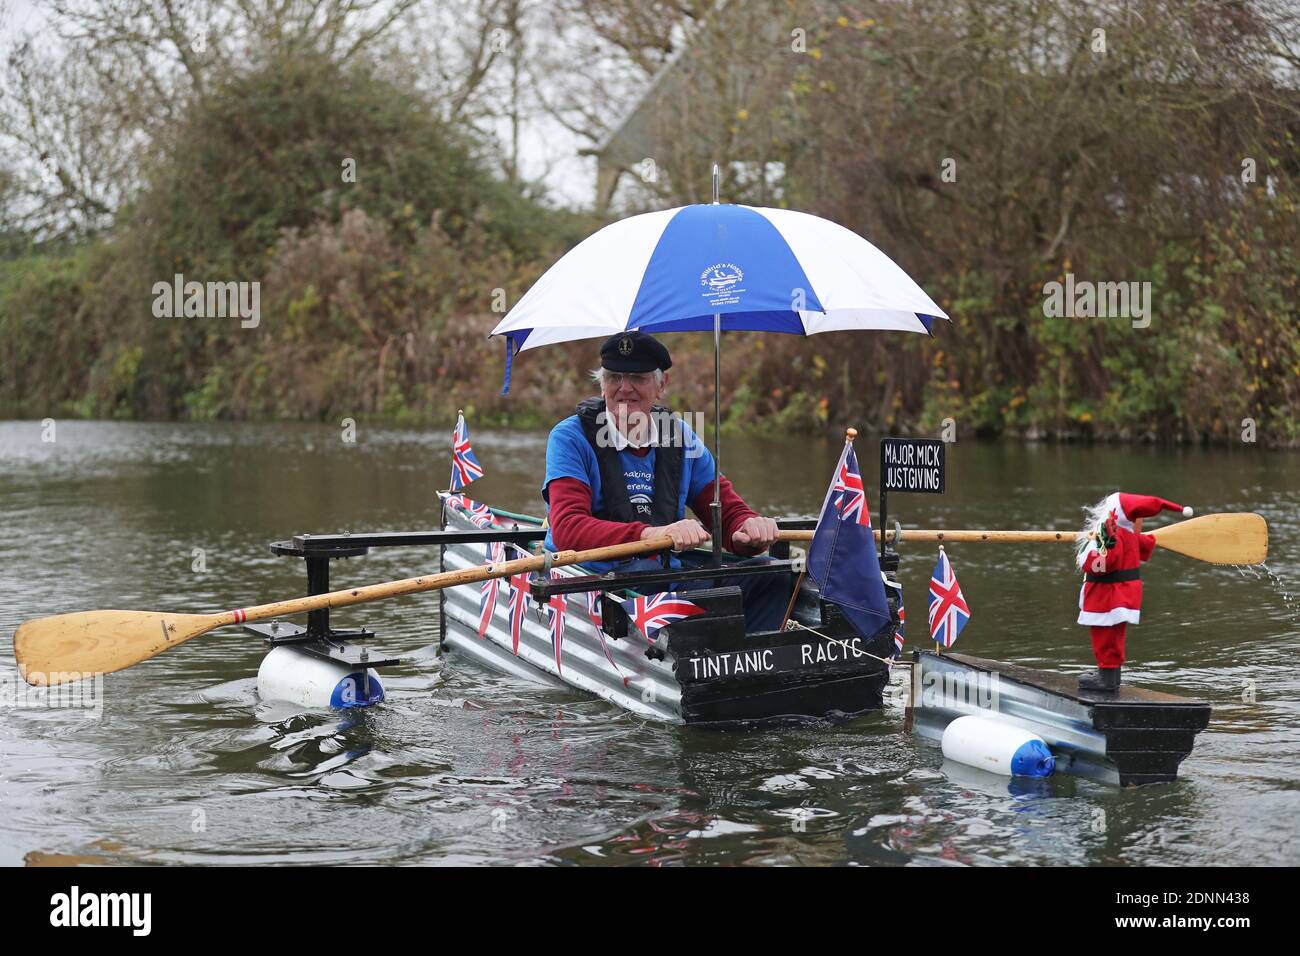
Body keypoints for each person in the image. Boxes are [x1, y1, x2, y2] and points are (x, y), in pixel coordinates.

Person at [542, 330, 789, 632]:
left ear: (661, 386)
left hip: (660, 577)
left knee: (772, 574)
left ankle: (753, 660)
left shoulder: (681, 435)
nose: (625, 388)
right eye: (614, 377)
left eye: (638, 378)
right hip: (596, 575)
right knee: (657, 581)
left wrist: (746, 531)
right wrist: (650, 534)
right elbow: (568, 528)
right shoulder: (570, 438)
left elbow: (728, 513)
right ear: (602, 384)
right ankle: (703, 654)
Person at [1075, 492, 1192, 692]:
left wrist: (1101, 546)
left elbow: (1100, 565)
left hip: (1108, 596)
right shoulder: (1129, 535)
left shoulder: (1111, 535)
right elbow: (1143, 546)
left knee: (1104, 638)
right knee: (1114, 637)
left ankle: (1107, 680)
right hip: (1123, 595)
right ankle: (1111, 675)